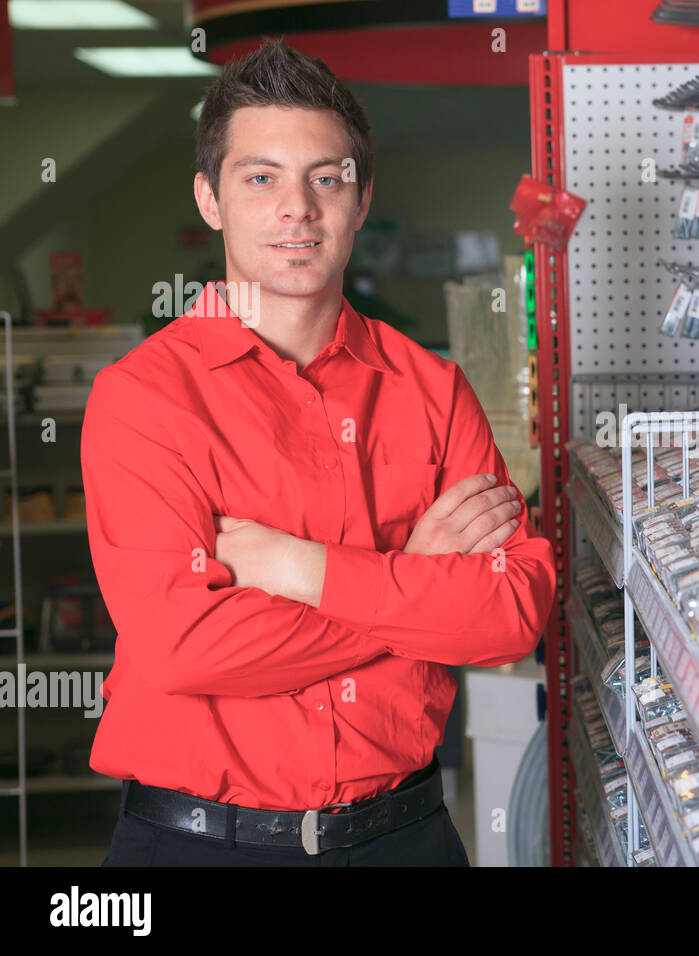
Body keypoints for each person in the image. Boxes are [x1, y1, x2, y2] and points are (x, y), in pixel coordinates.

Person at [82, 37, 556, 866]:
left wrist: (298, 567)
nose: (297, 208)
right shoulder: (143, 399)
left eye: (326, 177)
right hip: (198, 845)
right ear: (210, 198)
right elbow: (181, 645)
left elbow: (509, 613)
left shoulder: (432, 391)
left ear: (361, 197)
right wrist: (411, 579)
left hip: (403, 838)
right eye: (261, 177)